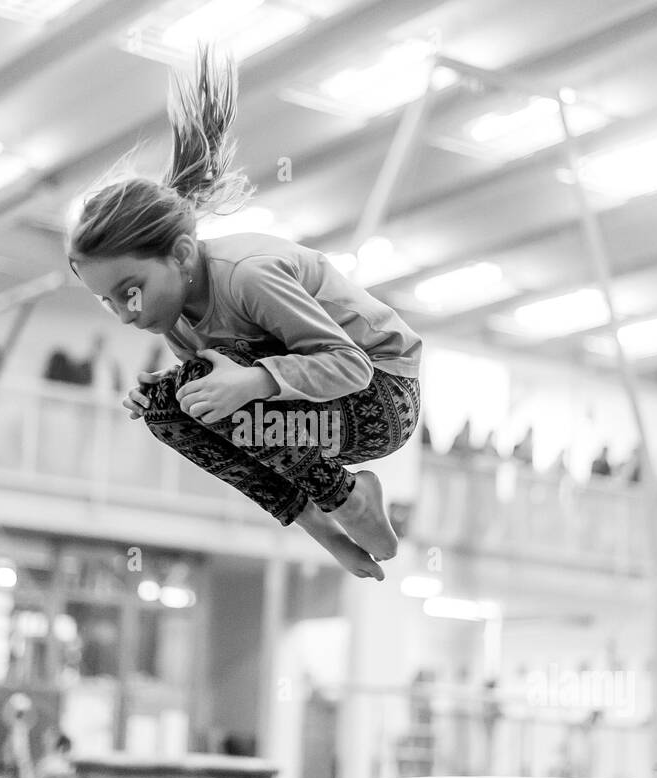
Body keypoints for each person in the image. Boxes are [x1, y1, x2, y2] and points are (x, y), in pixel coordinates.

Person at [66, 45, 422, 582]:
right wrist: (167, 384)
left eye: (130, 292)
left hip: (386, 395)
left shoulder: (247, 275)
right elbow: (232, 384)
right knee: (170, 405)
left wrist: (253, 381)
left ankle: (353, 499)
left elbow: (352, 366)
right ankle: (323, 524)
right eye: (108, 302)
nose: (123, 313)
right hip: (317, 414)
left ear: (182, 254)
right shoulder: (177, 314)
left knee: (220, 393)